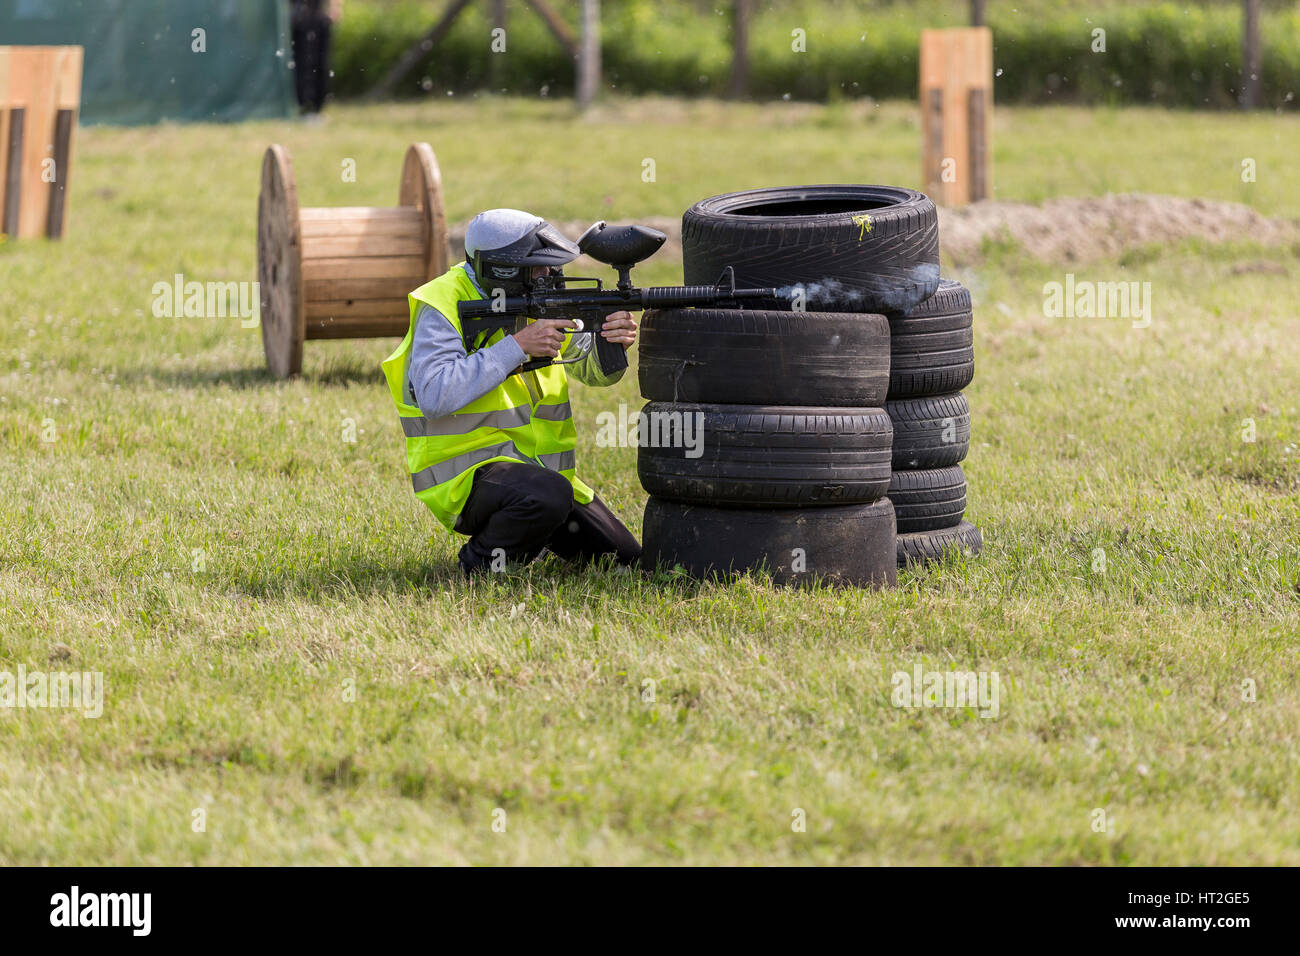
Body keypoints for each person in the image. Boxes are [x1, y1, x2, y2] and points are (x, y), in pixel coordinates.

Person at [381, 209, 642, 577]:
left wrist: (611, 342)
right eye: (536, 268)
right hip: (465, 475)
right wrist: (517, 347)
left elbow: (594, 375)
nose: (548, 275)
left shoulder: (538, 296)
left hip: (543, 477)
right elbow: (434, 395)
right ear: (501, 269)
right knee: (543, 497)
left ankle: (532, 535)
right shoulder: (441, 302)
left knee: (625, 562)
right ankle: (479, 566)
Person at [289, 0, 341, 116]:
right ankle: (303, 105)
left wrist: (335, 7)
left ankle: (316, 107)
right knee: (302, 64)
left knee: (321, 63)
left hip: (319, 15)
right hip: (299, 16)